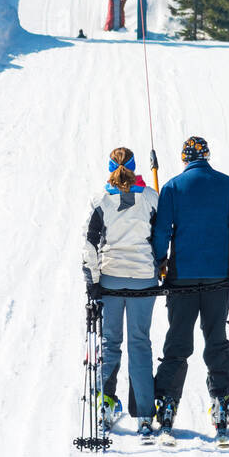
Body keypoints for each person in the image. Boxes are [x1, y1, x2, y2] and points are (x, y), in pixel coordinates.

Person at [152, 135, 229, 436]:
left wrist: (159, 262)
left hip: (181, 278)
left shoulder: (171, 187)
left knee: (178, 342)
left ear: (184, 158)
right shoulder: (228, 185)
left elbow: (161, 232)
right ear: (207, 155)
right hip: (218, 278)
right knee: (216, 340)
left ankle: (167, 403)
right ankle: (221, 403)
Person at [83, 147, 160, 439]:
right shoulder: (151, 197)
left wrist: (91, 280)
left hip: (111, 279)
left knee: (110, 341)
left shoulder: (100, 200)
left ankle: (105, 405)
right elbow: (162, 234)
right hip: (143, 279)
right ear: (135, 165)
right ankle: (143, 416)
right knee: (140, 343)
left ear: (109, 167)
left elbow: (89, 244)